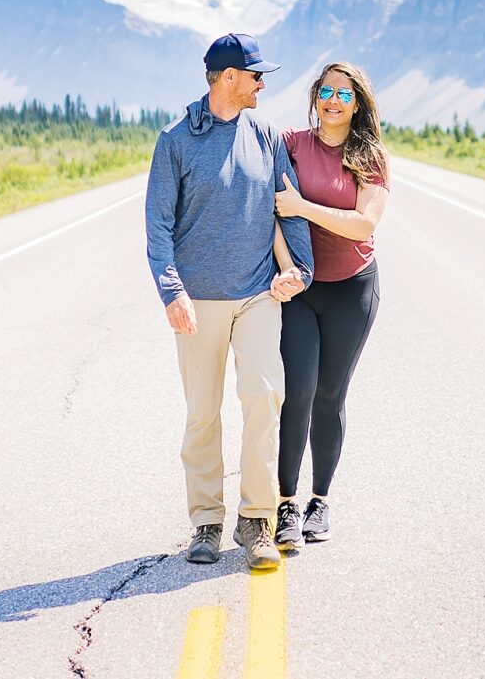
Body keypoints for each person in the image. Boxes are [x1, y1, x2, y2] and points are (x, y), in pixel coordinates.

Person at [145, 32, 313, 571]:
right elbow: (158, 225)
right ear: (228, 78)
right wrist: (173, 292)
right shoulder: (175, 141)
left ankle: (255, 520)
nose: (263, 83)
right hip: (198, 299)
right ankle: (206, 521)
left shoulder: (265, 135)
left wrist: (299, 271)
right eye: (255, 74)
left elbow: (287, 207)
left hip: (258, 293)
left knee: (265, 396)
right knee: (202, 413)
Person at [271, 62, 391, 550]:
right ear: (315, 97)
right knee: (297, 392)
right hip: (302, 288)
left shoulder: (370, 156)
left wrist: (304, 208)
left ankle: (320, 499)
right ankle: (286, 505)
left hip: (352, 289)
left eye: (344, 93)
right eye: (326, 90)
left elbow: (364, 225)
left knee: (329, 396)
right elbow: (271, 210)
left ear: (357, 103)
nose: (334, 100)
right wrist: (287, 268)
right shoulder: (292, 145)